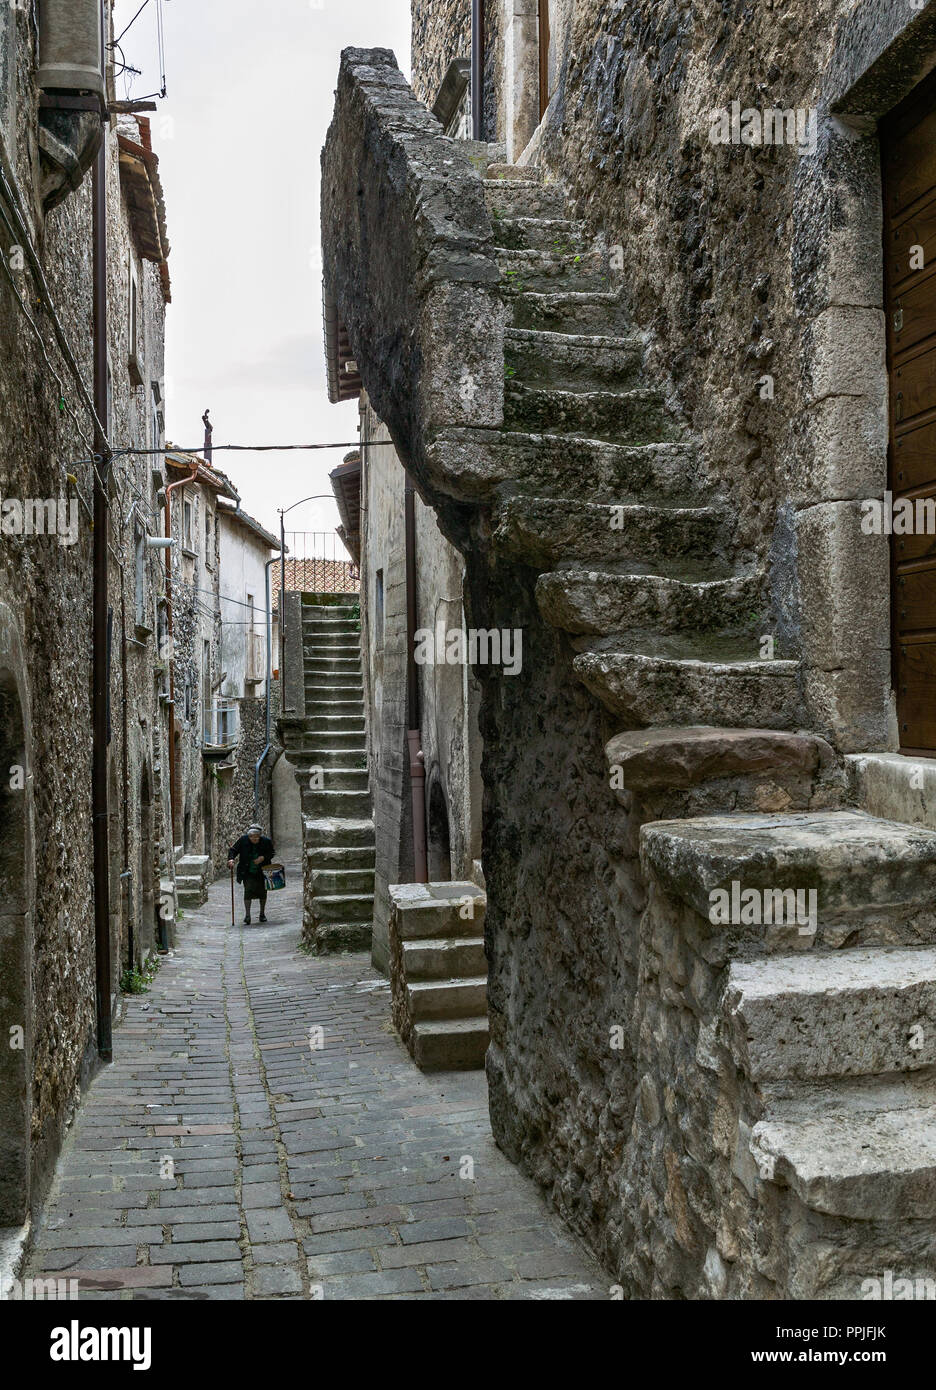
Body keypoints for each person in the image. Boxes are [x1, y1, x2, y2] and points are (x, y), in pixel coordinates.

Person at [228, 825, 275, 925]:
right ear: (249, 836)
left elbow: (271, 853)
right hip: (247, 871)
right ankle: (247, 915)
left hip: (262, 871)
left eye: (257, 836)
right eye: (253, 837)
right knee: (248, 891)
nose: (255, 839)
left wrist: (263, 858)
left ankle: (262, 914)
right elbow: (233, 850)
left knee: (263, 892)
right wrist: (231, 859)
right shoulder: (243, 840)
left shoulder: (266, 841)